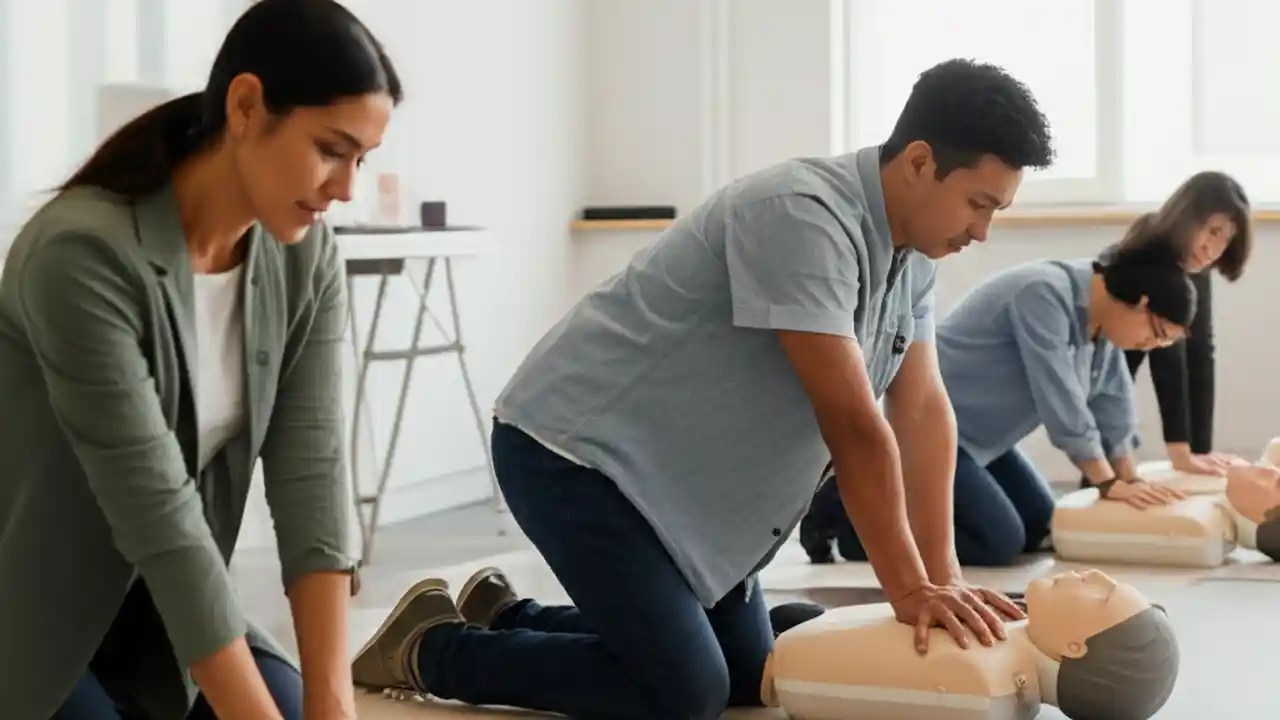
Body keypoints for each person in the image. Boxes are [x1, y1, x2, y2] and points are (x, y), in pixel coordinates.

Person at [351, 58, 1054, 719]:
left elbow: (924, 409)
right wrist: (908, 588)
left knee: (753, 670)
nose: (983, 232)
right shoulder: (803, 214)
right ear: (921, 162)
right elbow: (851, 420)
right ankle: (430, 649)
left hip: (676, 491)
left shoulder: (913, 256)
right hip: (576, 455)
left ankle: (506, 617)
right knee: (686, 692)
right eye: (978, 204)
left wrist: (946, 577)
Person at [0, 1, 402, 718]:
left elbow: (311, 476)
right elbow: (162, 518)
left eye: (361, 160)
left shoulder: (304, 256)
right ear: (246, 106)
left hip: (162, 616)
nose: (346, 188)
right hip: (34, 610)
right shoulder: (81, 255)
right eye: (331, 149)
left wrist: (333, 704)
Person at [804, 239, 1195, 568]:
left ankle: (887, 510)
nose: (1151, 347)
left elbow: (1113, 400)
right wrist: (1106, 481)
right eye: (1157, 335)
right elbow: (1060, 399)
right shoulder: (1044, 293)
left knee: (1042, 524)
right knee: (999, 542)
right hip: (933, 432)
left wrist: (1131, 480)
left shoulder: (1101, 322)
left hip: (983, 445)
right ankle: (851, 526)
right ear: (1142, 304)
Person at [760, 569, 1179, 720]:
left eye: (1103, 595)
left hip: (779, 660)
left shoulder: (987, 687)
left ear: (1073, 647)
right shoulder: (1017, 636)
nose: (1096, 575)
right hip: (807, 628)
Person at [1103, 171, 1254, 478]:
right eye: (1213, 231)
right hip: (1096, 357)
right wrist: (1179, 450)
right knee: (1113, 426)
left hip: (1122, 362)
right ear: (1190, 217)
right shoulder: (1152, 245)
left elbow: (1200, 350)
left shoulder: (1195, 262)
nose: (1215, 249)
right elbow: (1165, 352)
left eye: (1226, 239)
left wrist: (1200, 452)